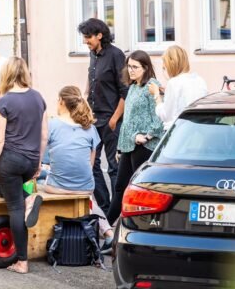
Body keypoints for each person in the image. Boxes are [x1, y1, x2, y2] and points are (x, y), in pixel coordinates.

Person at [0, 57, 47, 274]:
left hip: (10, 160)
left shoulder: (4, 102)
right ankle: (28, 197)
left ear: (6, 74)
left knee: (14, 207)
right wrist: (38, 161)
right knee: (5, 190)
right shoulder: (38, 98)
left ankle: (22, 261)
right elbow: (43, 135)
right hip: (31, 161)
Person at [40, 86, 114, 251]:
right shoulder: (90, 128)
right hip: (85, 188)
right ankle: (109, 234)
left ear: (61, 102)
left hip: (56, 188)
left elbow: (45, 159)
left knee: (40, 180)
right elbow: (90, 164)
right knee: (90, 200)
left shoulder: (52, 124)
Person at [106, 50, 163, 225]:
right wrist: (120, 147)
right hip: (129, 145)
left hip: (143, 147)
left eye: (135, 67)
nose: (131, 70)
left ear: (145, 68)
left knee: (141, 190)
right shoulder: (132, 87)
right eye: (129, 66)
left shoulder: (151, 86)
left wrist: (146, 136)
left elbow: (159, 118)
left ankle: (141, 226)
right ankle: (106, 228)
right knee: (120, 187)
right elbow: (128, 120)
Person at [78, 18, 127, 214]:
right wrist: (84, 97)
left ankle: (117, 211)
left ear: (100, 35)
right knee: (91, 165)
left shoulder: (116, 55)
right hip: (93, 119)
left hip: (111, 119)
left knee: (114, 167)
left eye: (88, 37)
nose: (85, 41)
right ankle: (105, 207)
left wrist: (115, 118)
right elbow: (92, 79)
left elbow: (125, 90)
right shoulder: (93, 54)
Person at [148, 45, 208, 131]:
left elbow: (166, 115)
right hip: (198, 128)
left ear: (171, 64)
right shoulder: (199, 79)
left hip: (178, 132)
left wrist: (156, 95)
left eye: (164, 67)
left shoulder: (174, 83)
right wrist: (168, 92)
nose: (165, 69)